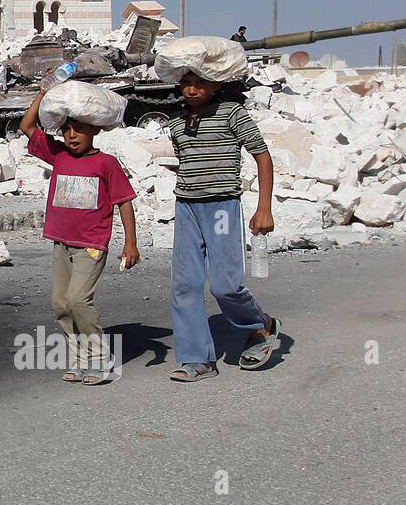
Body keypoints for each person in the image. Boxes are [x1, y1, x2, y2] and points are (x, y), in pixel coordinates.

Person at [166, 72, 281, 382]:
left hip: (221, 207)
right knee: (185, 285)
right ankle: (196, 359)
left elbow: (262, 156)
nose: (191, 90)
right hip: (187, 207)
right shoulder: (176, 121)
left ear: (215, 84)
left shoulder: (232, 113)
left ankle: (260, 324)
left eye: (200, 83)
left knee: (225, 285)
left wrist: (264, 208)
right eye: (186, 83)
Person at [21, 89, 139, 385]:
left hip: (91, 245)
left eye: (80, 129)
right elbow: (26, 127)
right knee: (60, 302)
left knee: (78, 299)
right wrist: (42, 95)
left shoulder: (106, 164)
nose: (72, 135)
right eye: (66, 129)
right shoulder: (57, 154)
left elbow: (124, 201)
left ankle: (101, 359)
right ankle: (80, 358)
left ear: (95, 129)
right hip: (61, 242)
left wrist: (130, 243)